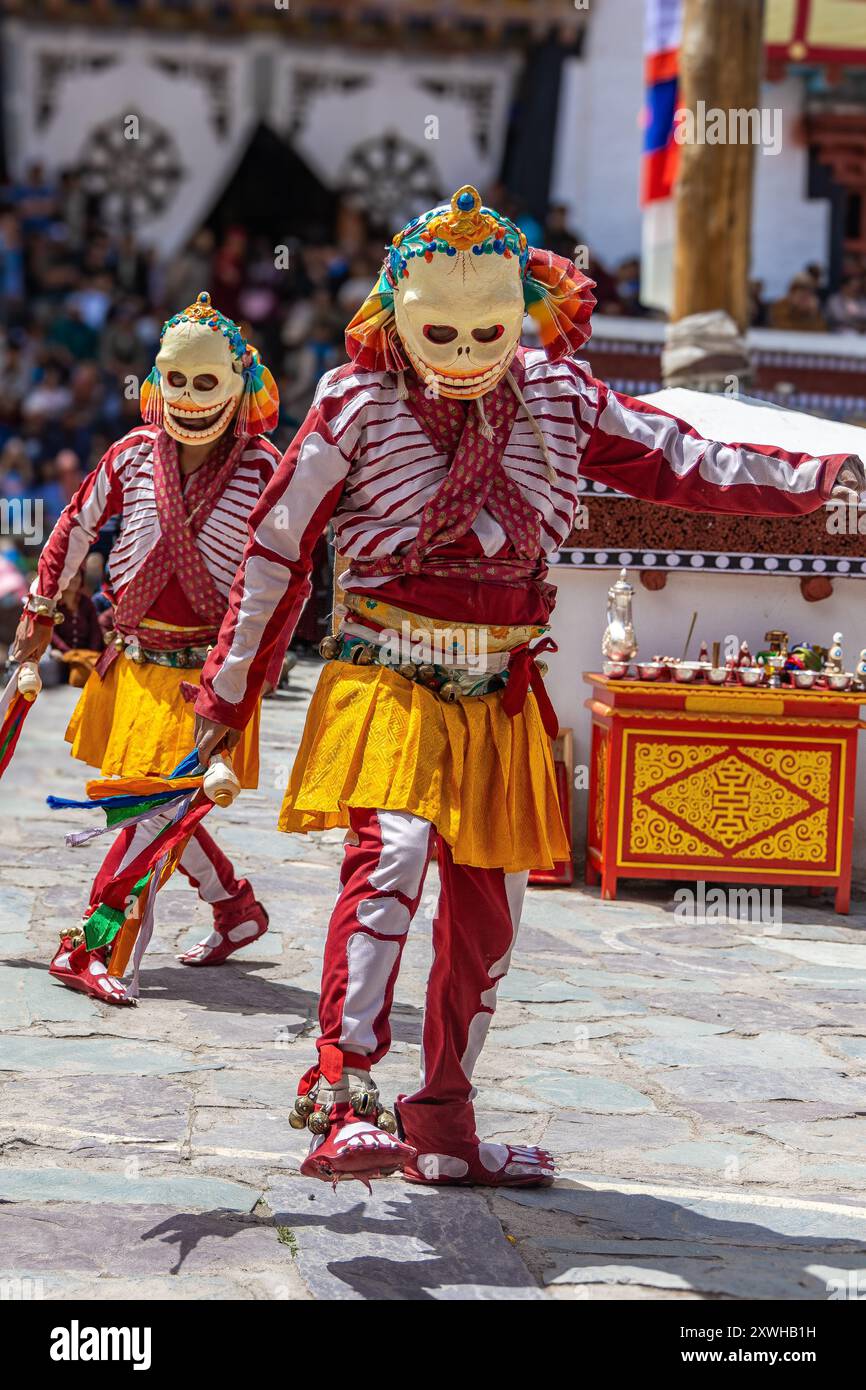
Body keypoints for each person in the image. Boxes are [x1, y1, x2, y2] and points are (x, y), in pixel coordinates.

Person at [193, 186, 865, 1188]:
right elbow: (278, 548)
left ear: (521, 313)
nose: (464, 352)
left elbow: (690, 462)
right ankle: (343, 1094)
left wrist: (829, 473)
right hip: (390, 677)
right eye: (441, 331)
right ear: (395, 313)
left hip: (502, 687)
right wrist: (225, 696)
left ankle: (444, 1122)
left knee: (489, 917)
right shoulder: (353, 403)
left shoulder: (562, 396)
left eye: (487, 329)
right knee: (390, 861)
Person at [10, 292, 285, 1005]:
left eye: (206, 383)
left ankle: (92, 943)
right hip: (133, 661)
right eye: (176, 381)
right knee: (157, 803)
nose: (189, 399)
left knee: (153, 807)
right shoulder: (133, 453)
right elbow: (76, 525)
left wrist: (249, 674)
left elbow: (285, 575)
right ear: (156, 381)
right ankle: (235, 908)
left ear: (238, 382)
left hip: (207, 679)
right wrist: (39, 609)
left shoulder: (263, 469)